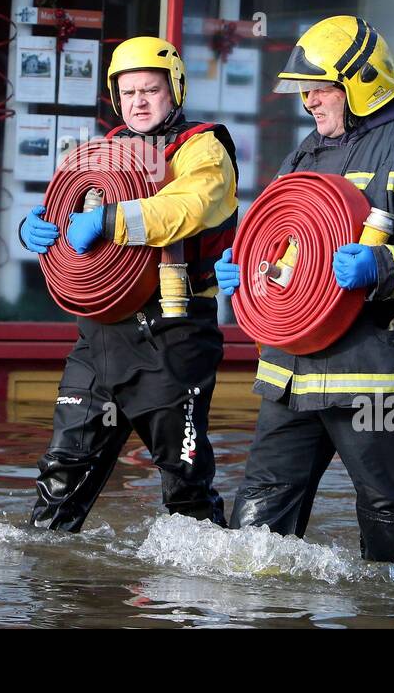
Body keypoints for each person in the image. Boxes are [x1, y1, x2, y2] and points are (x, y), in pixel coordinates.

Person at [215, 15, 394, 575]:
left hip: (373, 373)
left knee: (387, 512)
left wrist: (380, 264)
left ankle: (391, 611)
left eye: (319, 86)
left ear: (359, 81)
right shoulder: (305, 155)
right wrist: (253, 273)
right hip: (292, 371)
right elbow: (284, 239)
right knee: (255, 527)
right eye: (304, 89)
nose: (308, 99)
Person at [18, 36, 238, 531]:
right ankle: (47, 584)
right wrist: (36, 228)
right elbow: (69, 211)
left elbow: (187, 208)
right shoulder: (106, 151)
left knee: (184, 485)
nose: (139, 101)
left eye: (151, 89)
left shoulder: (204, 147)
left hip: (173, 334)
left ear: (174, 89)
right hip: (100, 330)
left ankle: (201, 598)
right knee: (62, 469)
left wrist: (109, 219)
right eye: (129, 91)